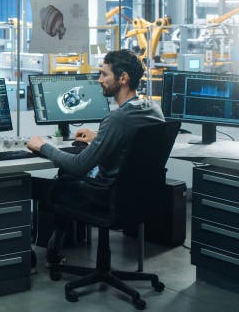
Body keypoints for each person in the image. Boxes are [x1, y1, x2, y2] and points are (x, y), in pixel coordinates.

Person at [27, 49, 164, 266]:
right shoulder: (152, 110)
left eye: (104, 74)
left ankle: (46, 251)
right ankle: (54, 249)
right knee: (66, 176)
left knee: (54, 182)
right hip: (137, 199)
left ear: (123, 78)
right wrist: (100, 137)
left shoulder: (116, 119)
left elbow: (78, 166)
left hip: (105, 198)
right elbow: (131, 142)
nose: (99, 80)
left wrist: (42, 146)